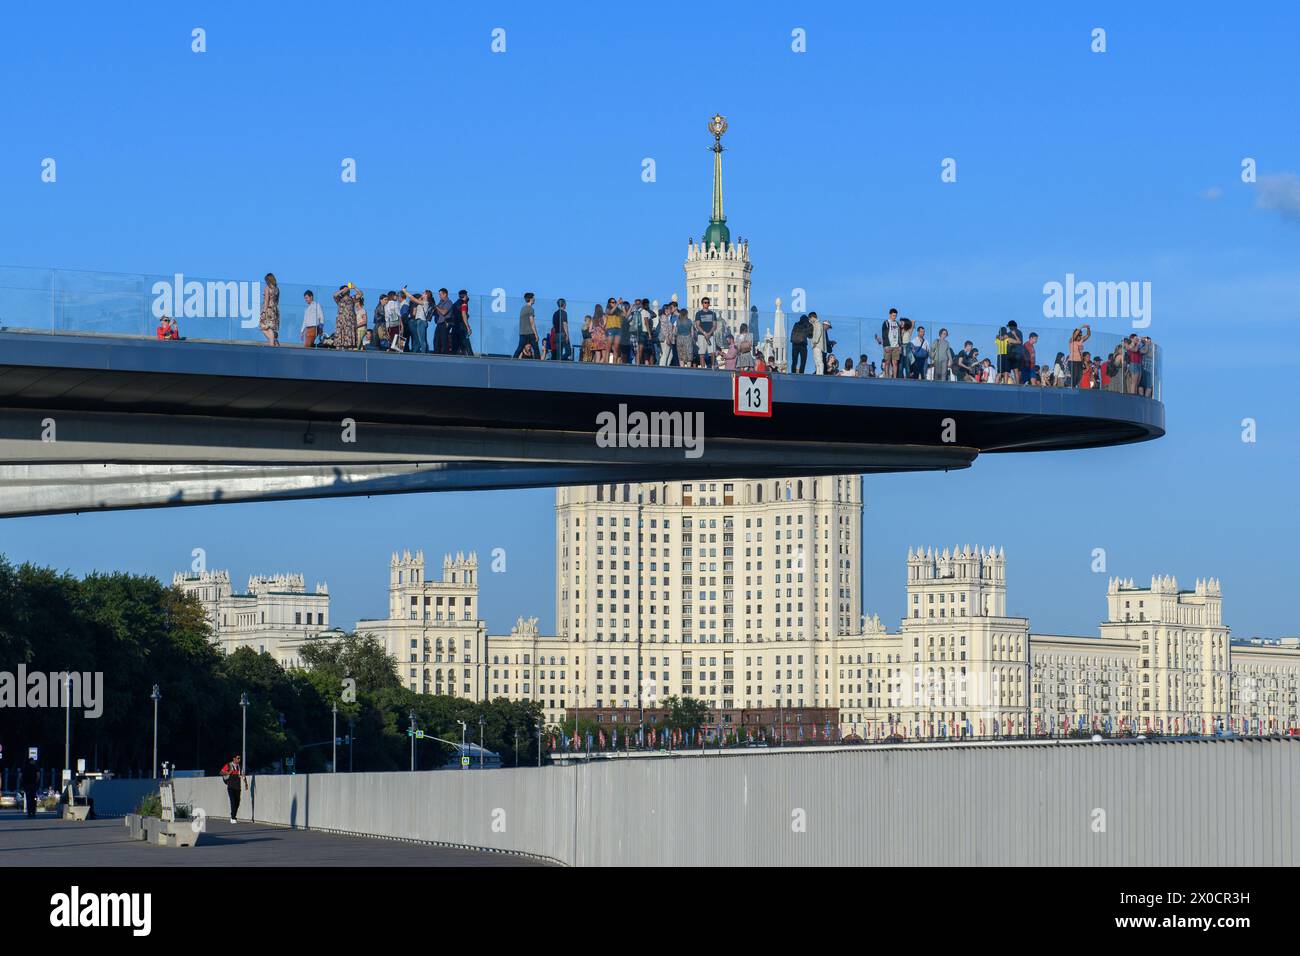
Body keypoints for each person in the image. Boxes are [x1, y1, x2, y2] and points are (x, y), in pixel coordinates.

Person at [876, 308, 902, 378]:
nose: (894, 317)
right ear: (890, 315)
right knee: (887, 362)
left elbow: (899, 335)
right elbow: (884, 335)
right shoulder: (886, 323)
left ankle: (895, 377)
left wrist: (900, 345)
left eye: (895, 315)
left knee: (895, 363)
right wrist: (886, 345)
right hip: (888, 346)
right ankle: (887, 377)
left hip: (896, 346)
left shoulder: (897, 323)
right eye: (893, 315)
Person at [694, 297, 718, 369]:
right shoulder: (698, 313)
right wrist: (704, 333)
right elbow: (697, 325)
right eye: (705, 302)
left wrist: (709, 333)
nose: (706, 303)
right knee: (702, 353)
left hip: (711, 335)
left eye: (707, 302)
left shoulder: (713, 313)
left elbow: (715, 325)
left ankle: (713, 366)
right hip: (701, 336)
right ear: (702, 304)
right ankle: (702, 368)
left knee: (713, 353)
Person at [514, 292, 540, 359]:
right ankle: (540, 365)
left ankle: (513, 361)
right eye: (533, 298)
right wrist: (536, 335)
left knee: (519, 349)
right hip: (530, 333)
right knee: (536, 350)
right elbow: (532, 322)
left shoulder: (523, 308)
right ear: (531, 299)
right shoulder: (530, 309)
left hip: (522, 333)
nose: (534, 299)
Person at [220, 754, 244, 824]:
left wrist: (246, 783)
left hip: (238, 787)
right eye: (238, 758)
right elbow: (221, 772)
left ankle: (233, 815)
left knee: (237, 802)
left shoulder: (240, 766)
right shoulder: (228, 765)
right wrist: (228, 772)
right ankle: (233, 817)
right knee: (233, 801)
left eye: (240, 758)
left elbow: (242, 775)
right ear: (234, 759)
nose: (239, 760)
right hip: (230, 787)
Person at [333, 285, 357, 350]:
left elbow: (361, 294)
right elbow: (334, 295)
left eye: (347, 289)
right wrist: (343, 290)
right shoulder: (339, 299)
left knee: (349, 341)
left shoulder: (352, 298)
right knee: (339, 340)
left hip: (349, 322)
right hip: (341, 322)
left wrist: (354, 287)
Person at [259, 273, 280, 346]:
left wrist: (264, 312)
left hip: (268, 309)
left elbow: (266, 301)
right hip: (274, 310)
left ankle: (272, 344)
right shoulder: (276, 289)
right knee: (269, 328)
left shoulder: (267, 288)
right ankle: (274, 342)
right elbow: (277, 301)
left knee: (265, 328)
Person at [675, 302, 695, 368]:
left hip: (679, 338)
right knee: (689, 355)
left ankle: (682, 368)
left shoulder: (677, 321)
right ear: (686, 314)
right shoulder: (690, 321)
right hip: (688, 338)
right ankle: (688, 368)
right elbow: (692, 332)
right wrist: (692, 339)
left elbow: (674, 331)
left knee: (681, 356)